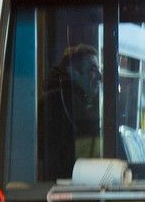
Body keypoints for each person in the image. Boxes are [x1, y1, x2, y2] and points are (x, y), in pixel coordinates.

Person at [41, 43, 102, 179]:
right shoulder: (66, 104)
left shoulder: (69, 100)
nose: (99, 76)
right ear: (73, 72)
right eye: (92, 70)